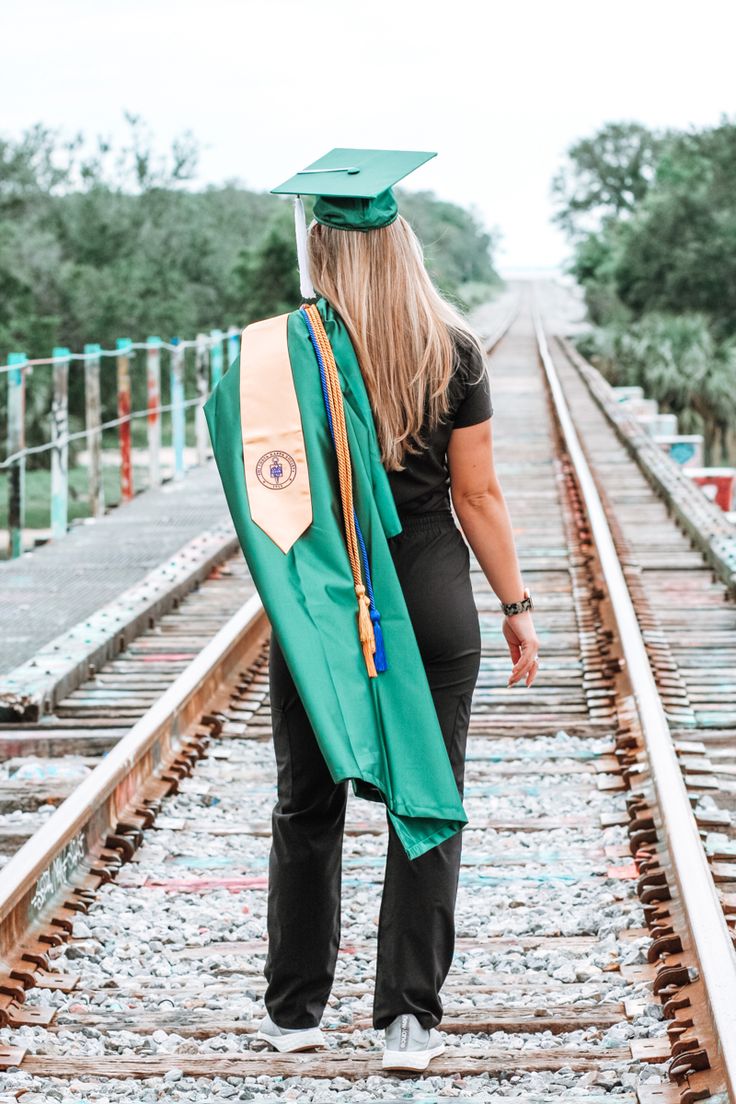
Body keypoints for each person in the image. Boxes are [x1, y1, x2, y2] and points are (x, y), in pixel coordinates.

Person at [204, 149, 539, 1073]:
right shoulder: (455, 348)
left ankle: (295, 1011)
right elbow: (479, 498)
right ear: (402, 244)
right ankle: (407, 1024)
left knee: (305, 805)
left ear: (319, 248)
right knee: (427, 804)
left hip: (325, 615)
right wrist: (516, 604)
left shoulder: (281, 357)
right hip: (430, 607)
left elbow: (262, 488)